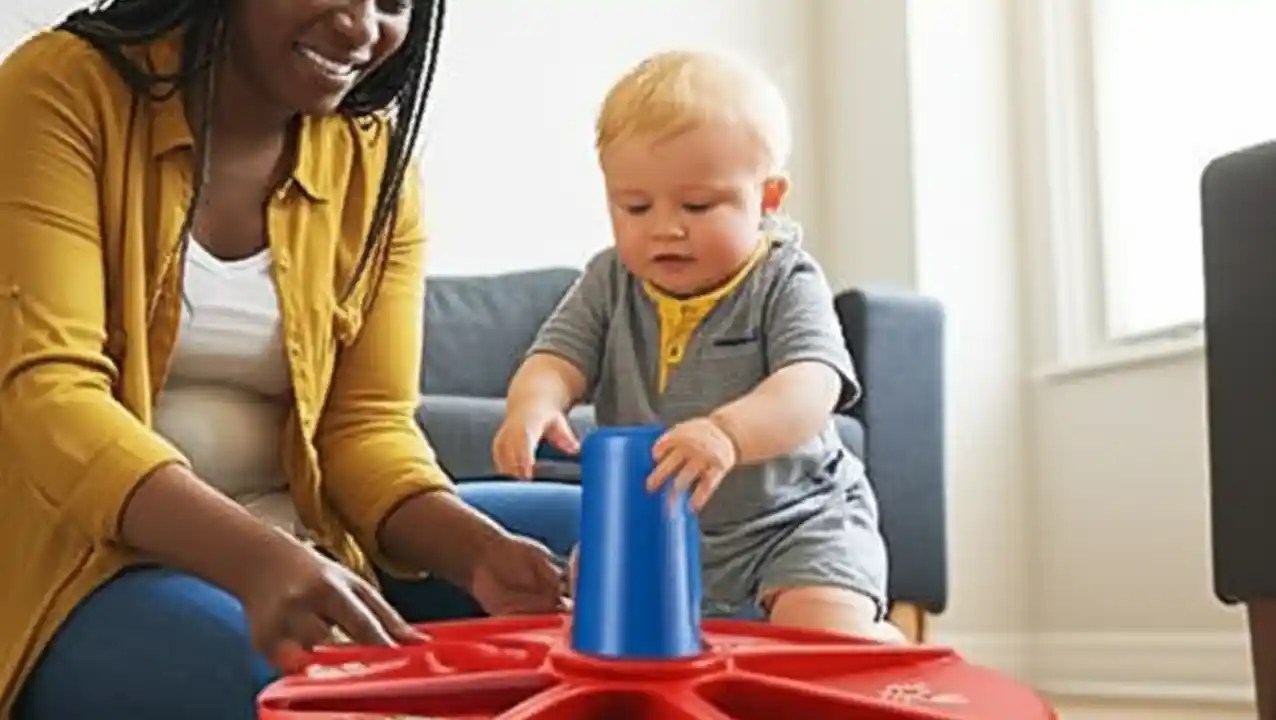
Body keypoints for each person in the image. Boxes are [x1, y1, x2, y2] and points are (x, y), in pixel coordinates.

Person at [0, 2, 577, 718]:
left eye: (393, 2)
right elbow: (48, 394)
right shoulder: (61, 90)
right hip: (90, 562)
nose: (361, 26)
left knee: (597, 536)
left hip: (306, 537)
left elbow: (365, 427)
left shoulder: (372, 163)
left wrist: (474, 551)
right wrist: (256, 561)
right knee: (285, 688)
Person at [493, 50, 901, 641]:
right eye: (635, 206)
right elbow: (556, 359)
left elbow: (811, 384)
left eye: (698, 205)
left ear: (767, 199)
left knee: (820, 636)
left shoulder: (784, 278)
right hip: (654, 524)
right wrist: (531, 405)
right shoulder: (610, 280)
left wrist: (727, 433)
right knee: (601, 633)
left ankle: (876, 651)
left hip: (794, 524)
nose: (665, 227)